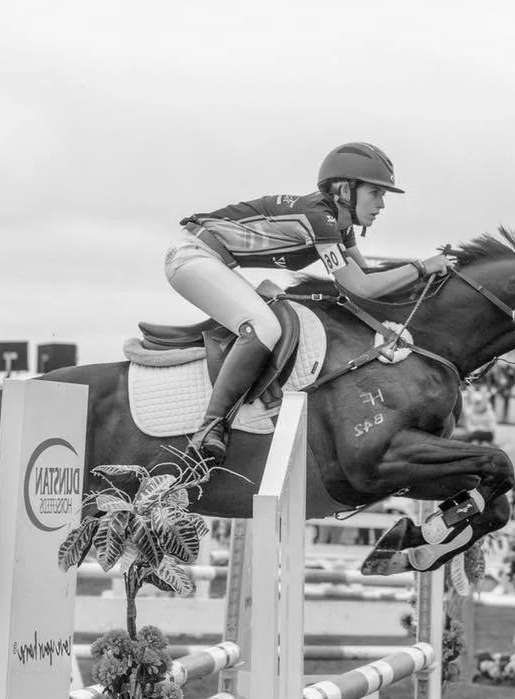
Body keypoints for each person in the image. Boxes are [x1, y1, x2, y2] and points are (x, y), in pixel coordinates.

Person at [165, 142, 449, 466]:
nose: (382, 204)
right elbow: (358, 287)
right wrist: (421, 267)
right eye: (376, 193)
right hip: (192, 256)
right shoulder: (320, 218)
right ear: (344, 189)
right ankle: (210, 427)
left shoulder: (340, 227)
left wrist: (422, 272)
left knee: (271, 310)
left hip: (213, 259)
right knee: (264, 326)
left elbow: (366, 274)